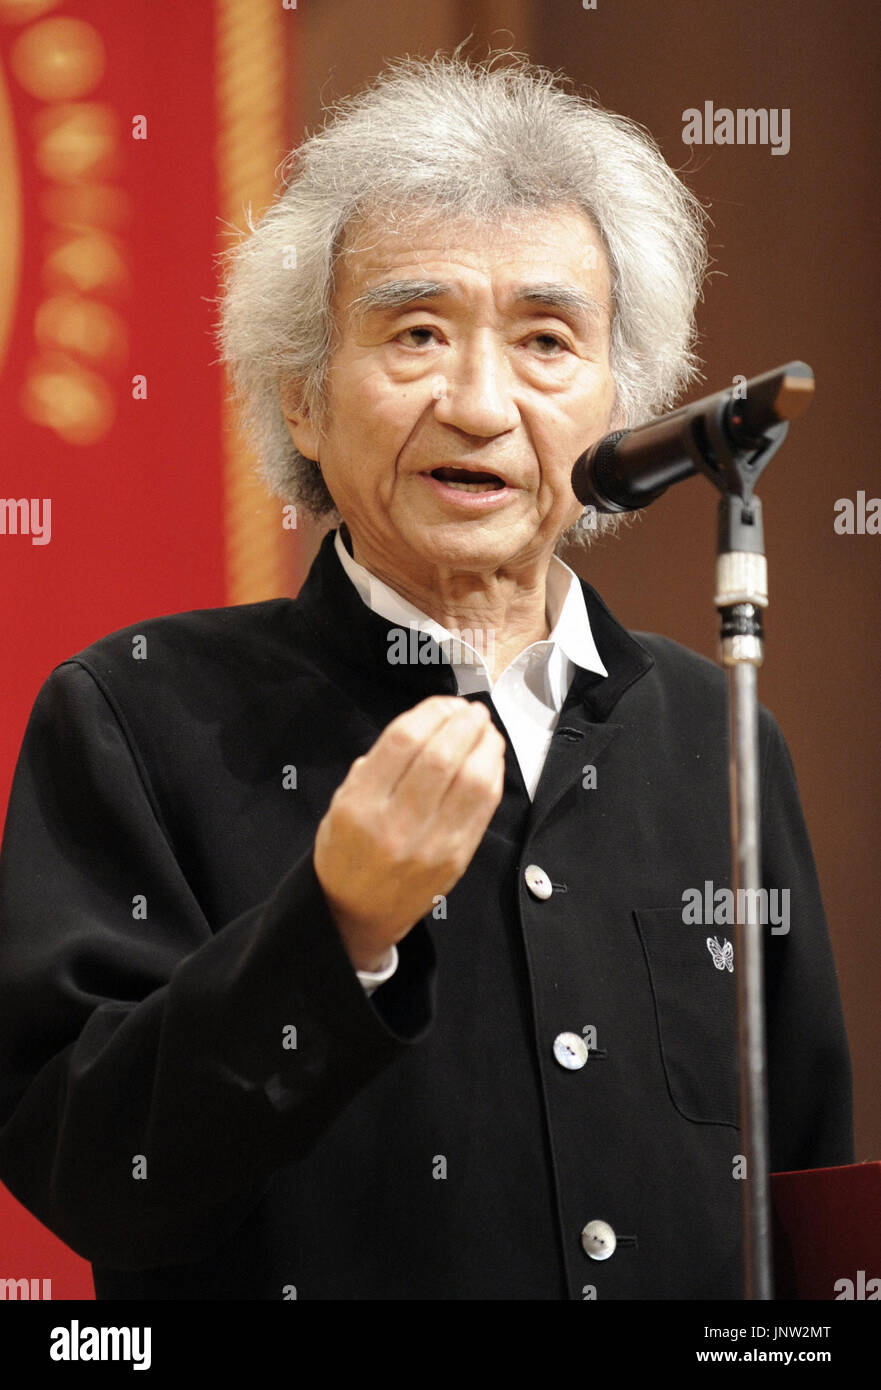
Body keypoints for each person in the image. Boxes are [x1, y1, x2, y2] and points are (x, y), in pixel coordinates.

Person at [0, 51, 853, 1300]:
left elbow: (805, 1190)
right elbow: (96, 1177)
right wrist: (331, 930)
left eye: (547, 341)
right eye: (414, 332)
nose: (479, 400)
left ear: (619, 399)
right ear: (300, 397)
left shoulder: (714, 731)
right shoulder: (138, 714)